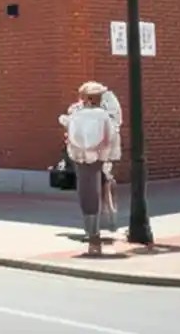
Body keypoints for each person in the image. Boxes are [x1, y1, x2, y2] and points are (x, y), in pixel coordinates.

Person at [60, 82, 122, 256]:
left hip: (81, 156)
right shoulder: (104, 114)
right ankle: (104, 224)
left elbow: (70, 133)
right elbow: (112, 134)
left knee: (87, 190)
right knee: (99, 187)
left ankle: (93, 232)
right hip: (100, 156)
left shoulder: (76, 114)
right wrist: (108, 156)